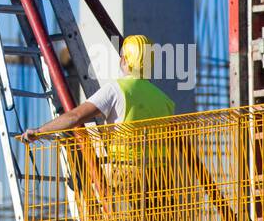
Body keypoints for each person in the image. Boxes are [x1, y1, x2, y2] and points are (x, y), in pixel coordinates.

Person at [20, 34, 176, 141]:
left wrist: (40, 131)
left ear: (124, 60)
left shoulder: (116, 90)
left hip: (127, 172)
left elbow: (75, 117)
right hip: (158, 176)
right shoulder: (165, 100)